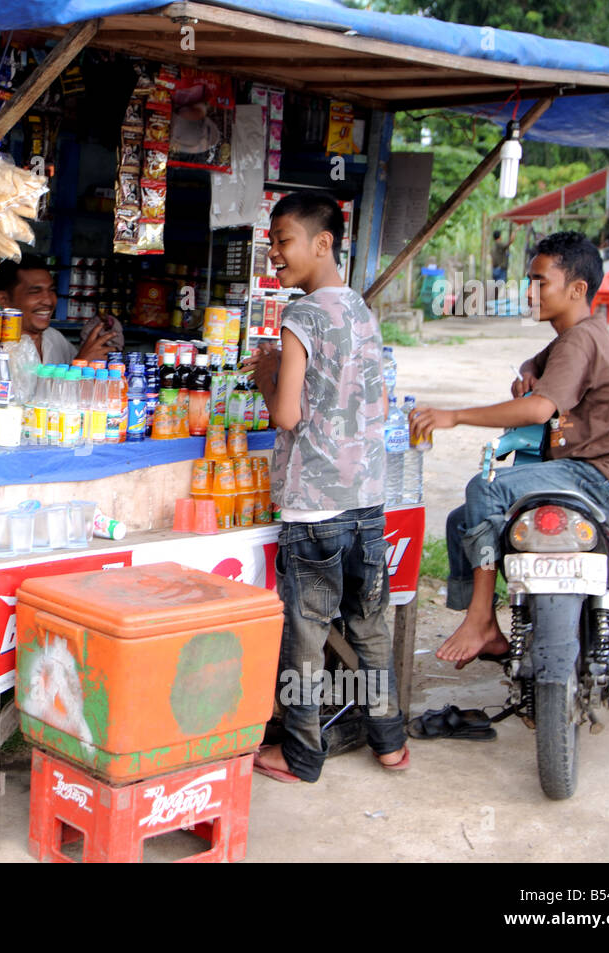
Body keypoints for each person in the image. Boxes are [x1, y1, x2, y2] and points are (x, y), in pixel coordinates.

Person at [410, 231, 609, 668]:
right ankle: (493, 620)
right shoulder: (577, 335)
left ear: (576, 289)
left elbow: (537, 410)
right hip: (591, 473)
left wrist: (454, 416)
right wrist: (529, 370)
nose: (528, 292)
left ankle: (481, 620)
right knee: (463, 520)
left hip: (595, 474)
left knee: (485, 490)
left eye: (539, 282)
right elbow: (536, 364)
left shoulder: (579, 340)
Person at [242, 191, 408, 783]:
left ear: (321, 243)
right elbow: (382, 402)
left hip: (314, 510)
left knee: (306, 638)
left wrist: (265, 375)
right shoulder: (362, 312)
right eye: (272, 243)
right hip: (366, 503)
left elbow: (286, 416)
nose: (274, 254)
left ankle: (301, 753)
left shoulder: (301, 316)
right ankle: (390, 741)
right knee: (369, 627)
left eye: (283, 241)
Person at [0, 255, 120, 399]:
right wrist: (78, 366)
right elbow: (20, 407)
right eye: (35, 292)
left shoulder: (54, 338)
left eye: (51, 290)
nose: (48, 300)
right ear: (4, 299)